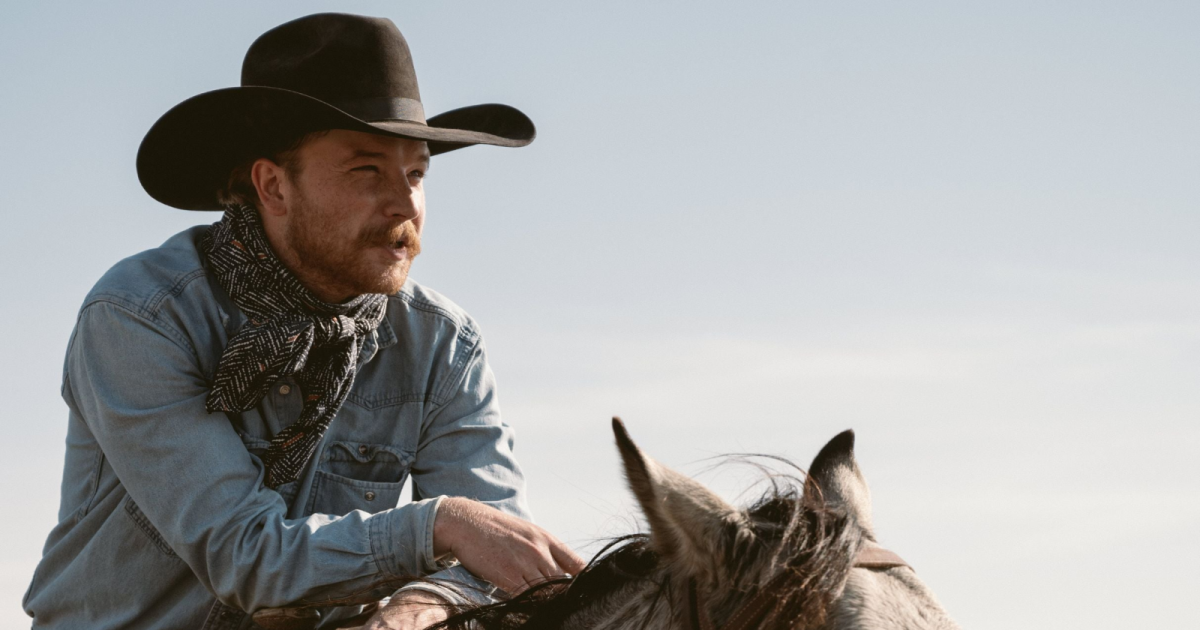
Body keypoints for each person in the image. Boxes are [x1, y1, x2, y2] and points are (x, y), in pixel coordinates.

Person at [23, 12, 584, 630]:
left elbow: (501, 552)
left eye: (417, 173)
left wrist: (424, 604)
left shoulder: (442, 345)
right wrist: (439, 525)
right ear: (273, 186)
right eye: (366, 170)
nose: (405, 204)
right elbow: (244, 554)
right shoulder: (142, 316)